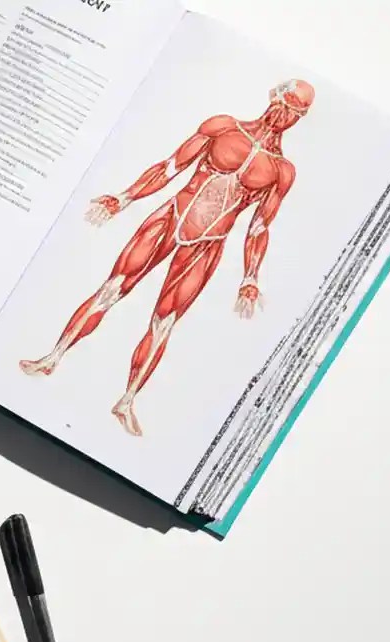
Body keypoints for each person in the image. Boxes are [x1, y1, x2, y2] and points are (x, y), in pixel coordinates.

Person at [20, 80, 315, 436]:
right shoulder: (222, 126)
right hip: (171, 216)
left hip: (207, 244)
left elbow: (259, 227)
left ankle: (126, 401)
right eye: (286, 103)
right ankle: (52, 358)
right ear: (273, 95)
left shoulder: (282, 171)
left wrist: (250, 278)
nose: (285, 115)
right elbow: (169, 168)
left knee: (163, 324)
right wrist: (124, 198)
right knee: (111, 290)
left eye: (296, 112)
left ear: (301, 118)